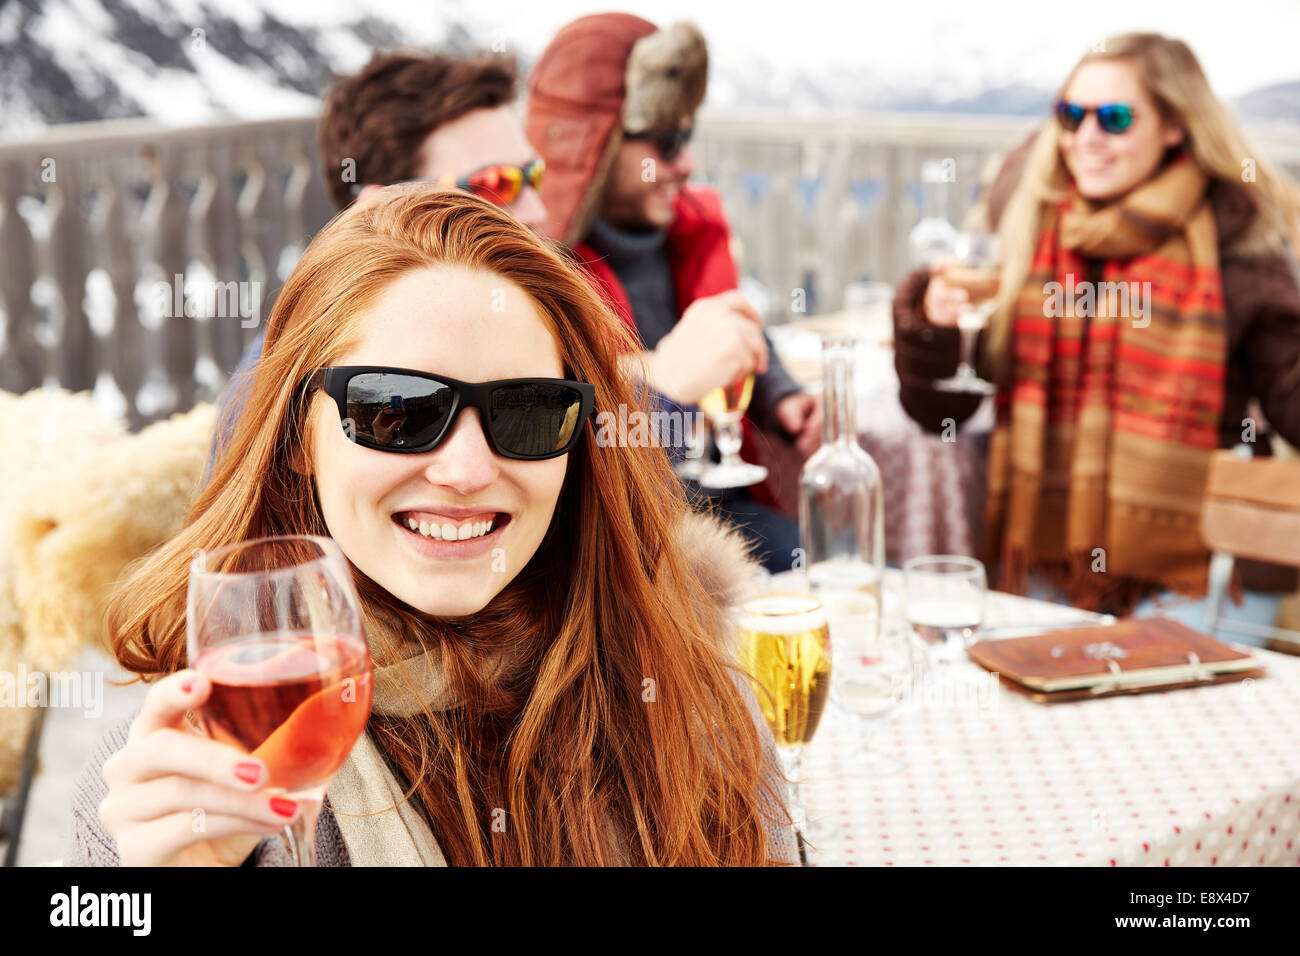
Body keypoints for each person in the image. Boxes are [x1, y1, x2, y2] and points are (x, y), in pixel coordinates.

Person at [67, 186, 800, 867]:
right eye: (397, 412)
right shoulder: (170, 790)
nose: (466, 470)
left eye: (528, 411)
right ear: (297, 439)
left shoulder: (690, 684)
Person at [893, 33, 1300, 634]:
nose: (1086, 138)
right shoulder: (1031, 224)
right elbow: (942, 410)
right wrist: (934, 332)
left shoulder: (1234, 242)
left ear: (1175, 125)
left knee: (1166, 707)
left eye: (1114, 119)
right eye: (1070, 115)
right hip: (1049, 555)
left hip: (1205, 563)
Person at [526, 14, 822, 574]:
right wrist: (657, 375)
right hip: (618, 540)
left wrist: (783, 397)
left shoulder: (687, 231)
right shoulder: (536, 277)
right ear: (599, 145)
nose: (686, 164)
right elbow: (561, 456)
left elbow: (734, 332)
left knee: (818, 562)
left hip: (720, 500)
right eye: (666, 143)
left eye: (686, 139)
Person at [211, 49, 546, 456]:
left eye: (534, 176)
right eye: (497, 183)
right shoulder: (284, 382)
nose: (536, 211)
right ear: (381, 205)